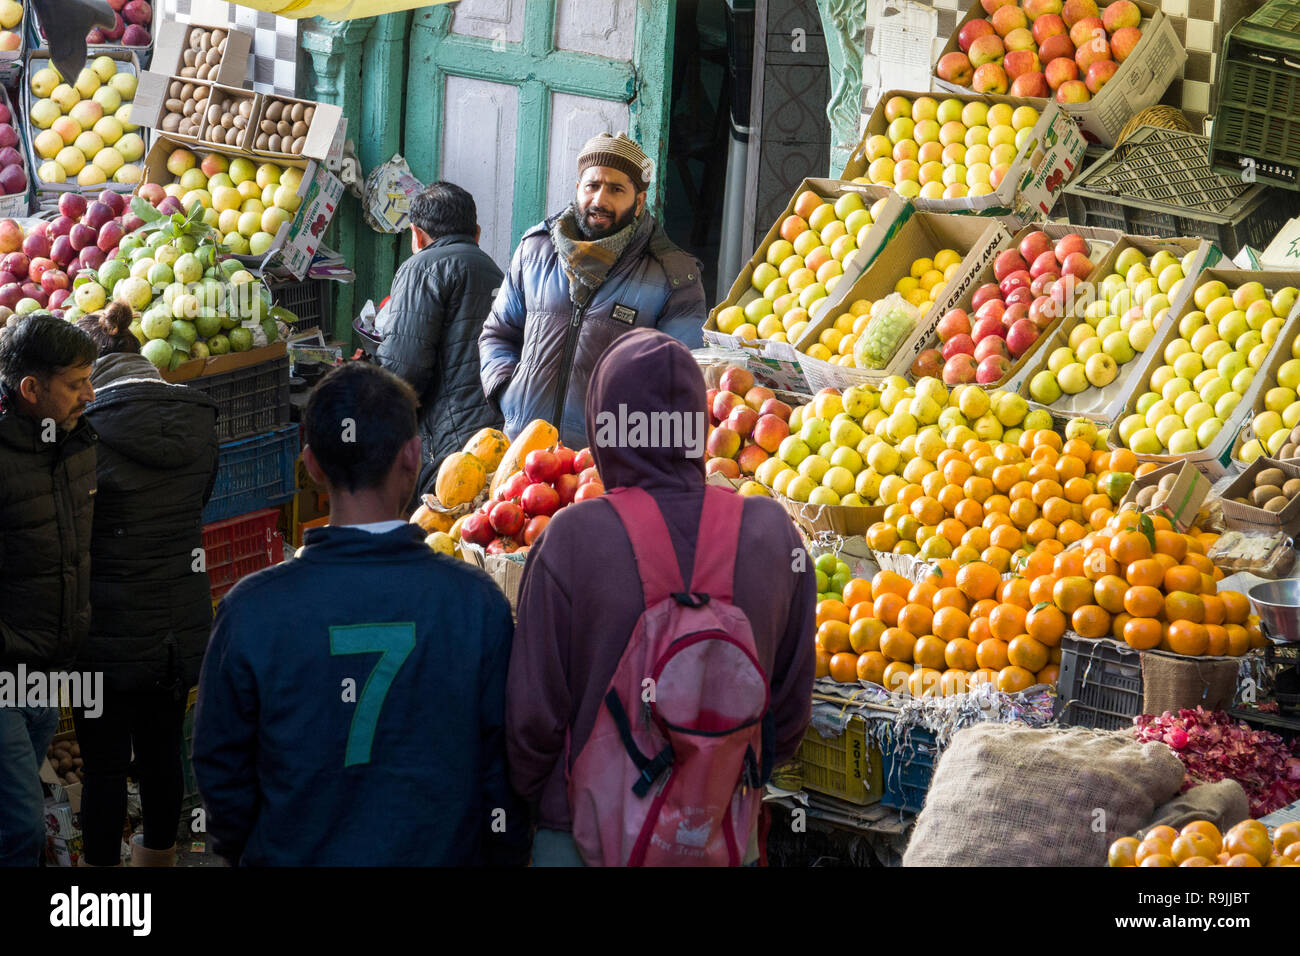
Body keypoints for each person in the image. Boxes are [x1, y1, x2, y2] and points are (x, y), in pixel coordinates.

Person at [192, 362, 527, 866]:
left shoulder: (250, 612)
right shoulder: (476, 604)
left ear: (311, 465)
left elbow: (222, 775)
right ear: (413, 457)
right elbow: (503, 775)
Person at [505, 329, 815, 866]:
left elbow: (532, 722)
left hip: (583, 840)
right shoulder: (773, 532)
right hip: (722, 835)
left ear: (605, 426)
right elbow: (788, 714)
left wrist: (549, 805)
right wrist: (716, 778)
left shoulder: (572, 539)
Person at [71, 303, 219, 867]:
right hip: (179, 628)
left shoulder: (85, 433)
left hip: (107, 631)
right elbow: (196, 508)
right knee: (161, 750)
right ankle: (159, 859)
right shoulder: (199, 422)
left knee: (105, 763)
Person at [479, 132, 706, 449]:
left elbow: (683, 378)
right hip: (524, 457)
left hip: (604, 470)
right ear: (577, 189)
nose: (600, 200)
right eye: (592, 186)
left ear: (639, 201)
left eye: (616, 189)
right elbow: (498, 333)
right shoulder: (535, 251)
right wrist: (507, 391)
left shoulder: (674, 276)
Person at [0, 313, 97, 867]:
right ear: (31, 389)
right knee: (19, 823)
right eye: (76, 382)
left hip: (48, 667)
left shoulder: (78, 444)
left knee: (14, 815)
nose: (90, 392)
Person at [377, 182, 505, 500]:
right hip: (497, 437)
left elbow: (403, 374)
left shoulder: (421, 267)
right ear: (476, 233)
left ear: (416, 235)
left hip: (447, 446)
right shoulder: (497, 272)